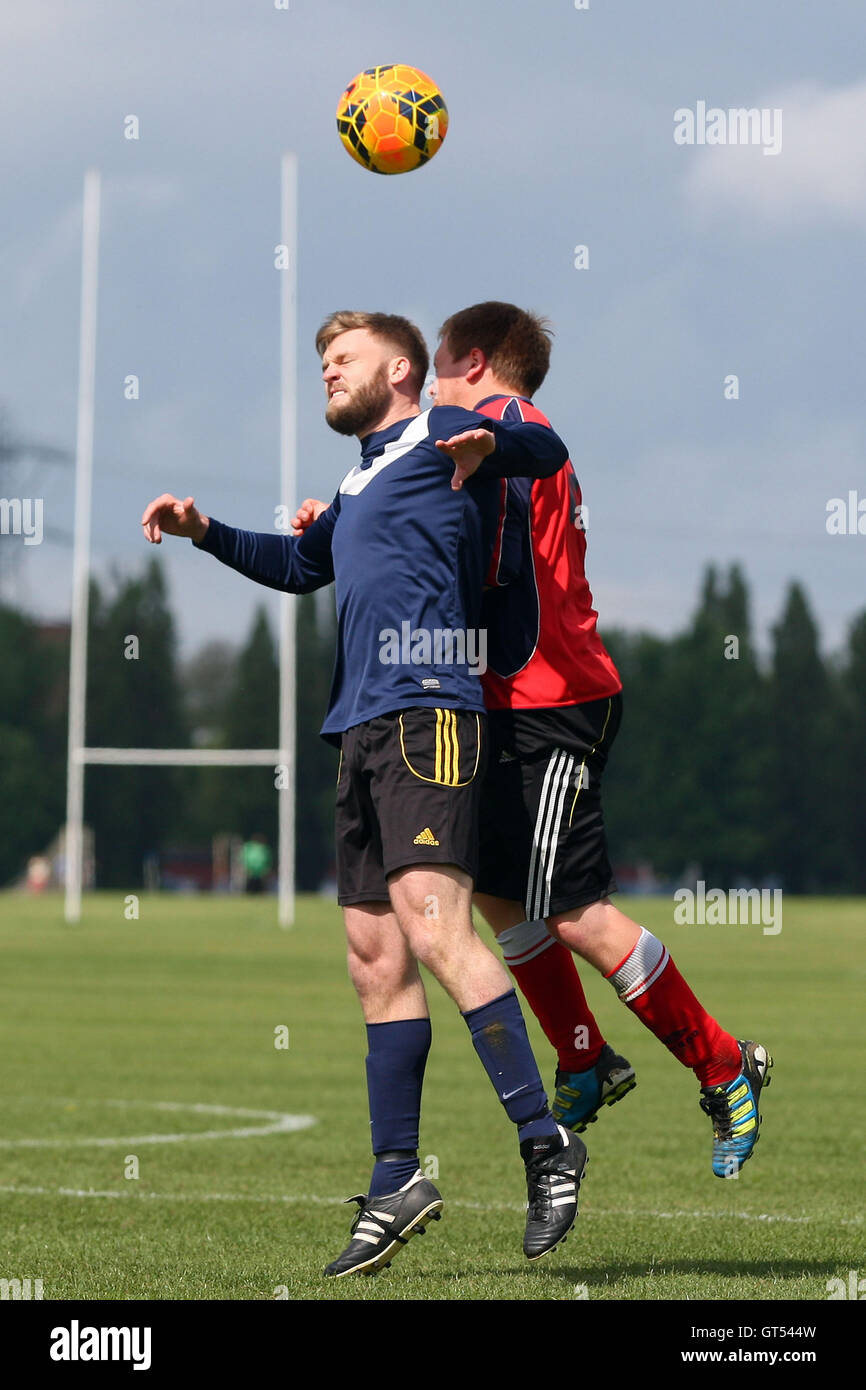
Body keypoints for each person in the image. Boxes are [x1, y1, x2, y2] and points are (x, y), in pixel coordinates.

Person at [141, 310, 586, 1278]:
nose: (326, 376)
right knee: (371, 954)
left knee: (436, 929)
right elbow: (303, 565)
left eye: (338, 361)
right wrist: (204, 529)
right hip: (359, 728)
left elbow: (544, 447)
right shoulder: (357, 477)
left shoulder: (438, 434)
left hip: (427, 707)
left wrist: (488, 438)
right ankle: (396, 1180)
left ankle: (546, 1142)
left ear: (398, 368)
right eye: (320, 365)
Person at [432, 301, 773, 1179]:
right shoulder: (498, 435)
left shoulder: (506, 427)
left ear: (474, 362)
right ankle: (584, 1057)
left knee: (575, 910)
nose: (433, 385)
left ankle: (724, 1063)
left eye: (437, 366)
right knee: (503, 898)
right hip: (512, 701)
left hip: (554, 699)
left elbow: (493, 568)